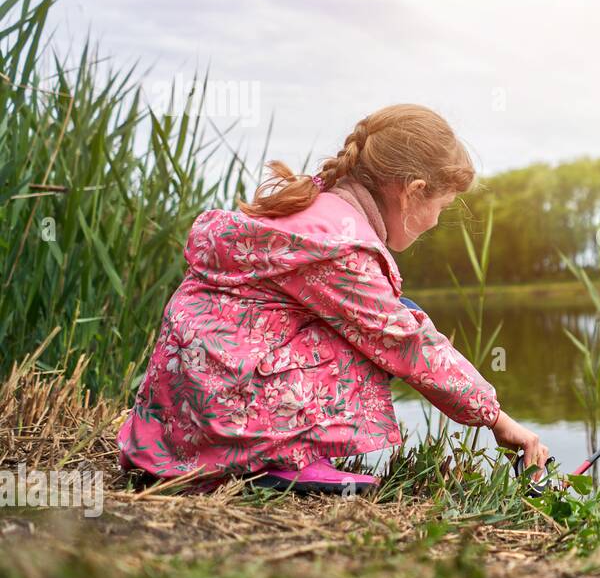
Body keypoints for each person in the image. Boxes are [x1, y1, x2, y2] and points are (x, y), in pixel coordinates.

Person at [117, 103, 548, 494]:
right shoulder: (341, 246)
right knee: (392, 330)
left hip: (185, 418)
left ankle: (259, 451)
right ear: (413, 191)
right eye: (443, 205)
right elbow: (407, 343)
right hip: (229, 412)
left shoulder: (312, 212)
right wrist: (497, 418)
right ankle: (273, 459)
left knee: (401, 311)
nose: (437, 220)